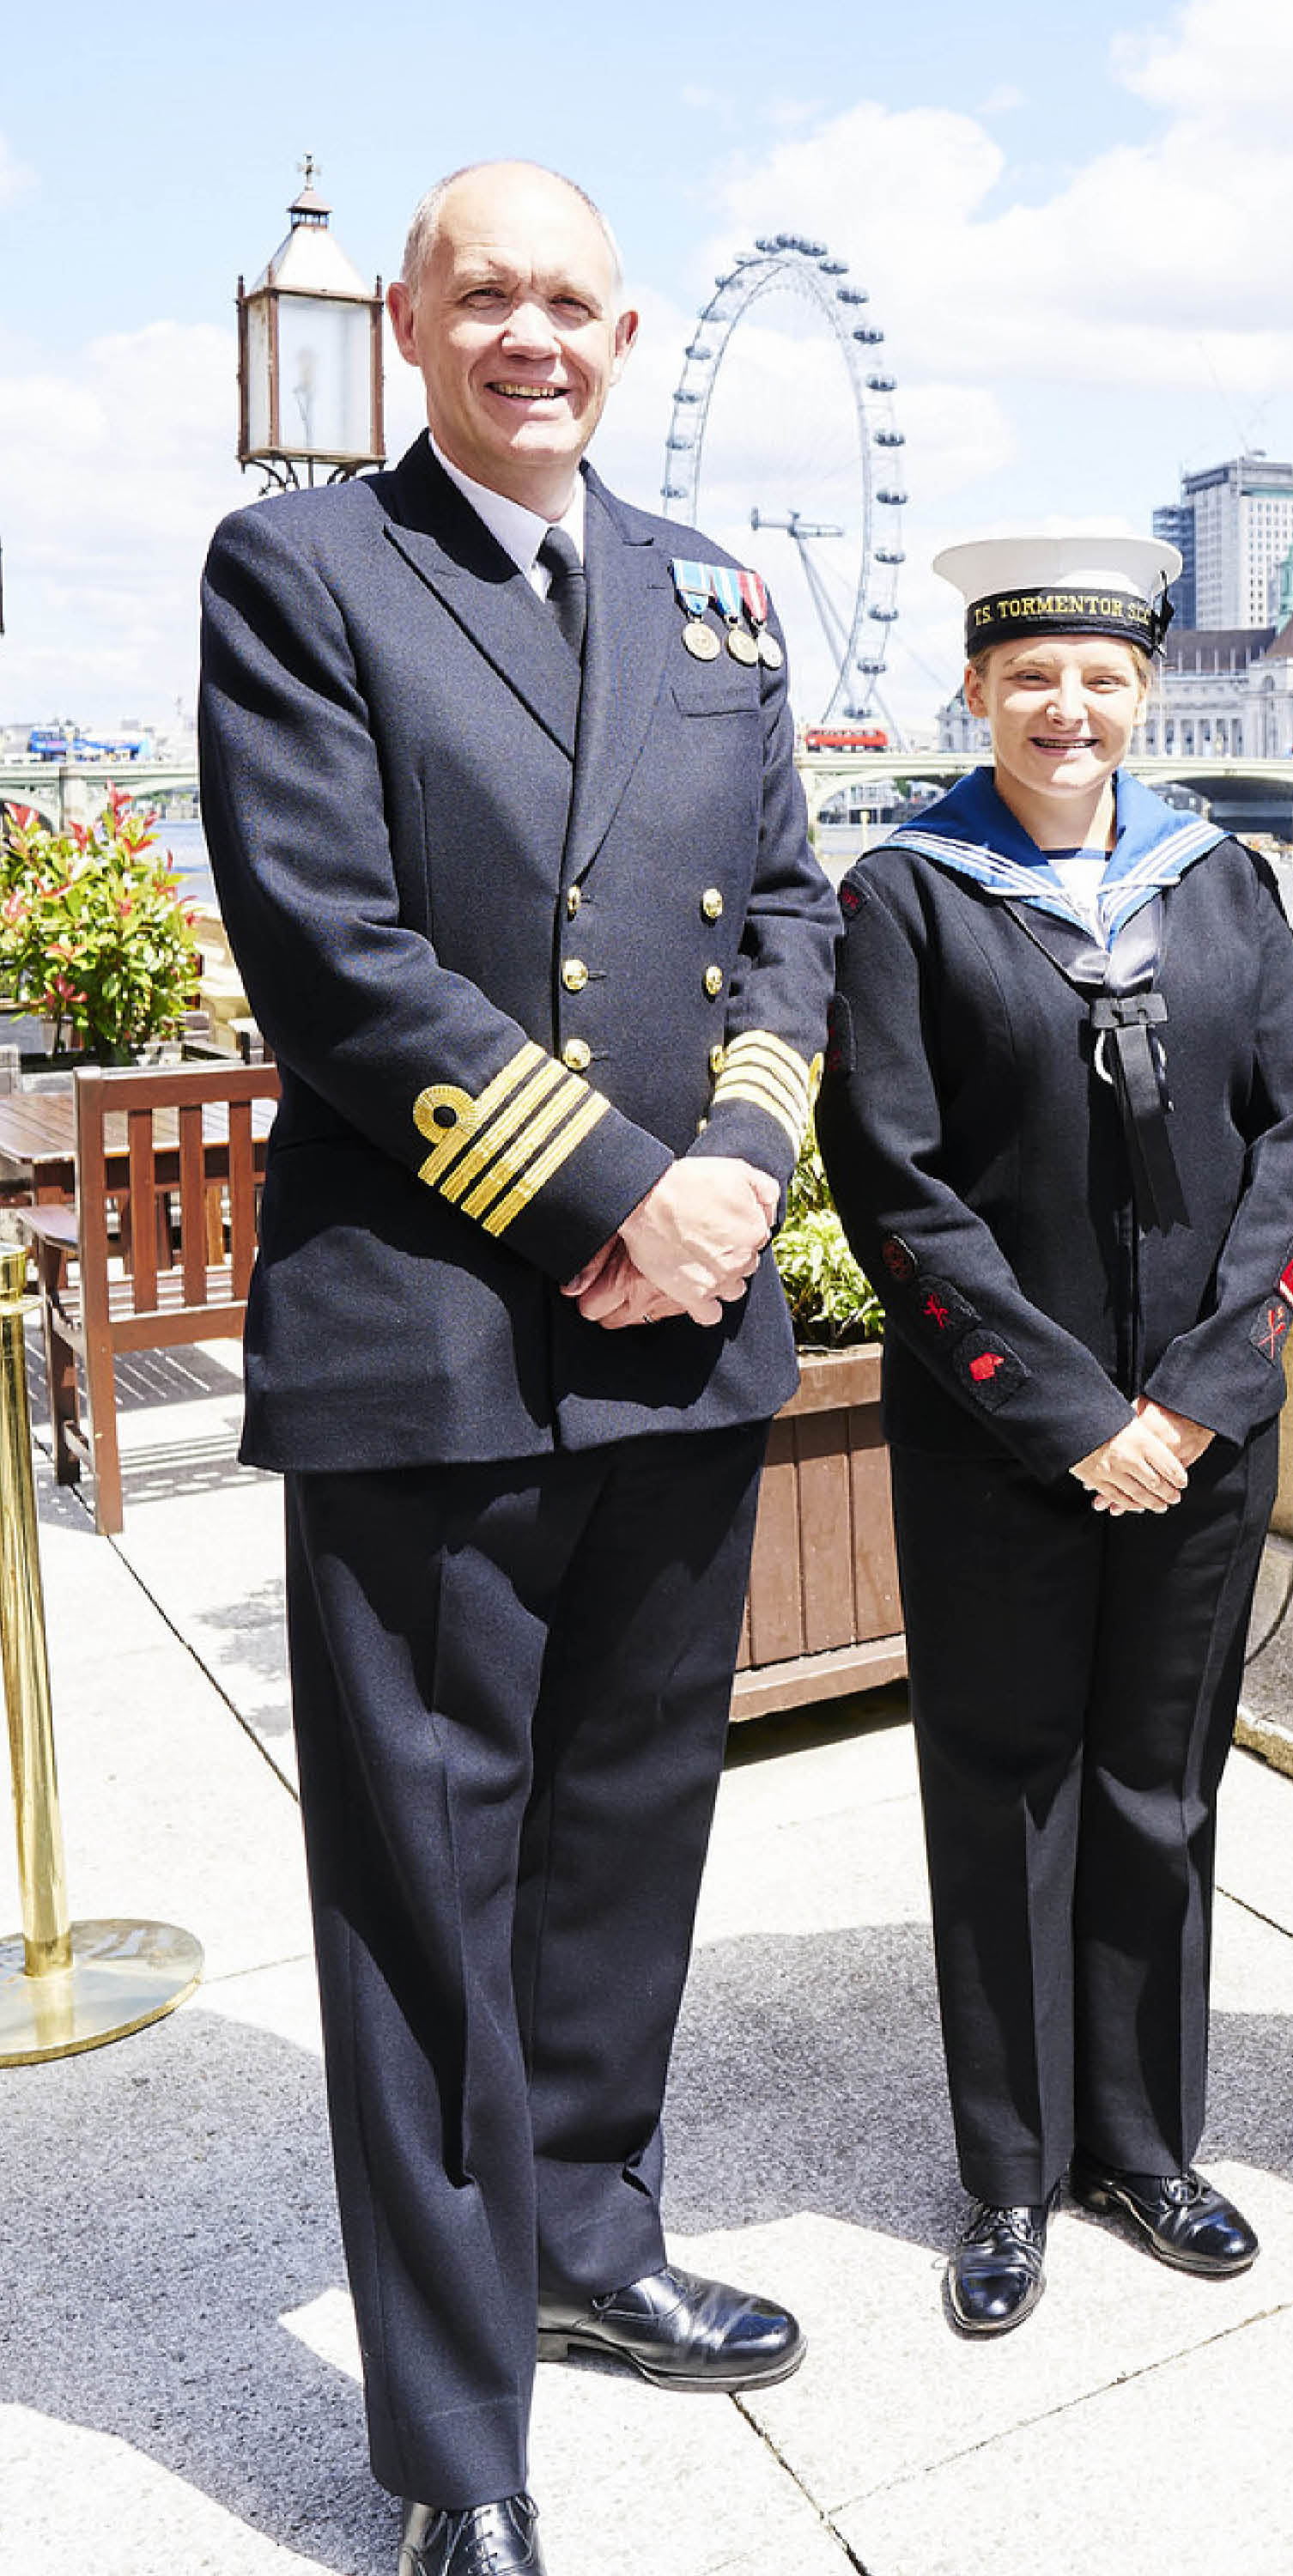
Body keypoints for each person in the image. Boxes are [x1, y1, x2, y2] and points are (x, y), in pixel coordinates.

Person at [197, 161, 834, 2576]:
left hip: (688, 1331)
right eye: (487, 298)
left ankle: (588, 2238)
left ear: (630, 326)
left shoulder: (714, 587)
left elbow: (790, 905)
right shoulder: (305, 576)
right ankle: (455, 2440)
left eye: (571, 299)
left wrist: (742, 1185)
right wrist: (613, 1198)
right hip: (439, 1341)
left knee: (623, 1840)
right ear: (409, 326)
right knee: (426, 1899)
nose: (531, 337)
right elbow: (334, 951)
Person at [816, 535, 1293, 2336]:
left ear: (1141, 692)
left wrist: (1193, 1396)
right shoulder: (906, 896)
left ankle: (1146, 2138)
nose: (1067, 707)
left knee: (1161, 1787)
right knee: (1008, 1789)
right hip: (999, 1441)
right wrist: (1065, 1415)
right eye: (1030, 676)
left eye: (1101, 676)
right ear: (976, 692)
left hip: (1199, 1434)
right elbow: (895, 1182)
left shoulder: (1225, 884)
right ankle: (1011, 2173)